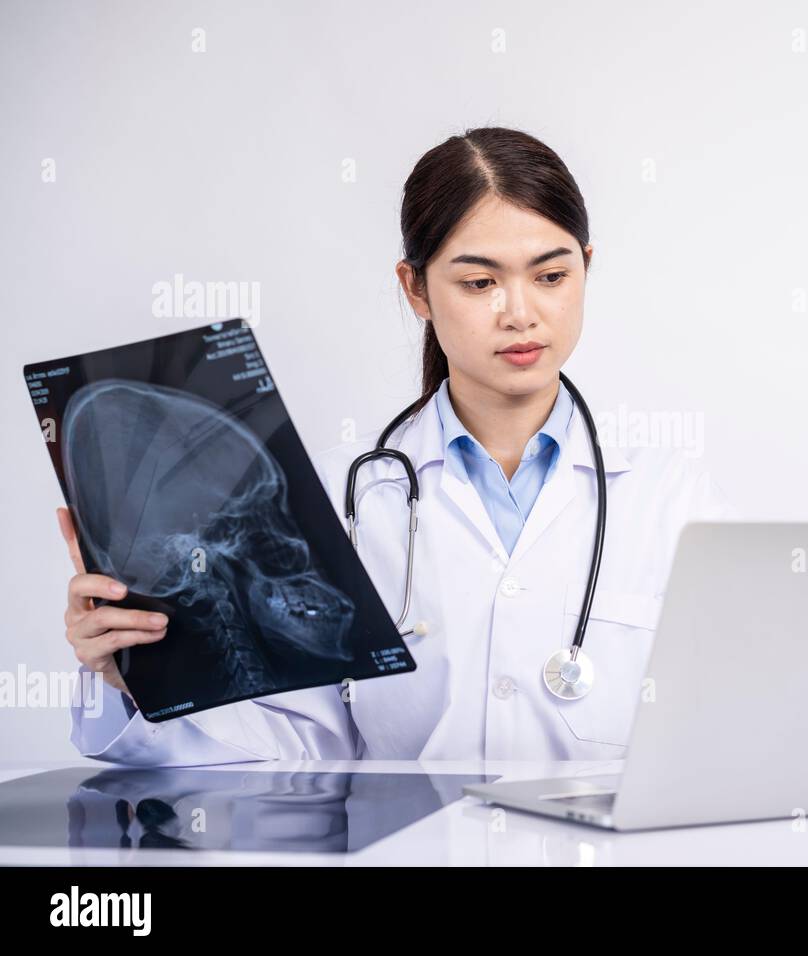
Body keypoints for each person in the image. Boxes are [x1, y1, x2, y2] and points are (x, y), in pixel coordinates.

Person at [57, 127, 737, 766]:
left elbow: (724, 732)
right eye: (480, 282)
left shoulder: (670, 496)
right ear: (415, 289)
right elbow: (291, 754)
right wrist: (128, 678)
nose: (521, 312)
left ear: (586, 269)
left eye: (551, 276)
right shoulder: (339, 500)